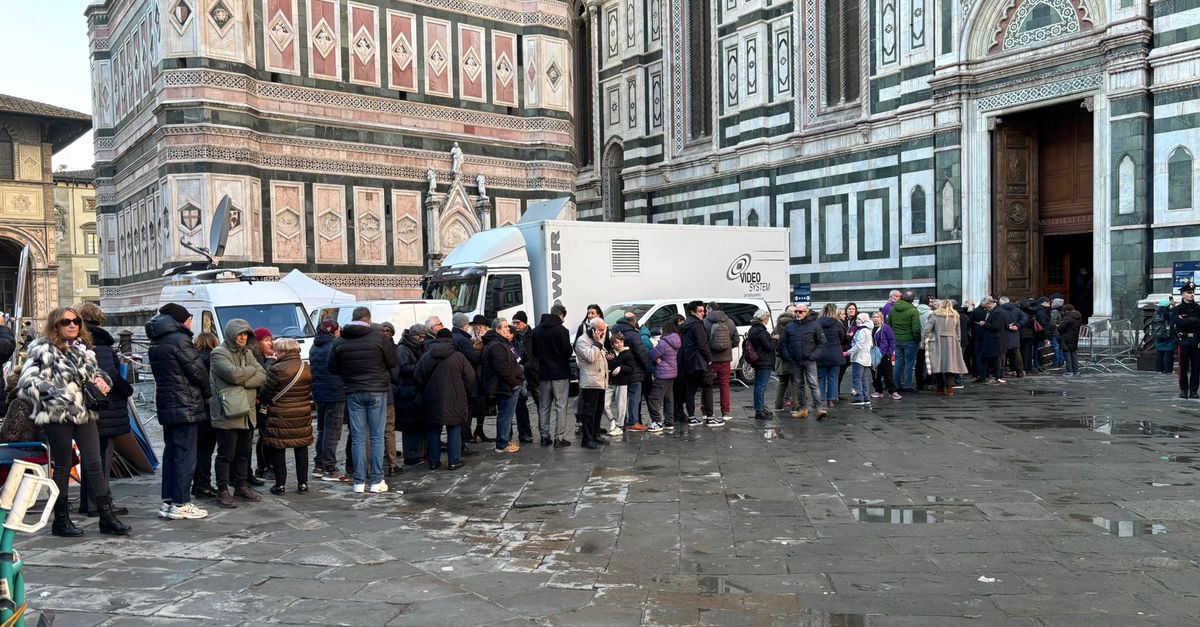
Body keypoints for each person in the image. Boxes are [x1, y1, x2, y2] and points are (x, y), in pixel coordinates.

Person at [18, 307, 131, 536]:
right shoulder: (42, 348)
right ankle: (61, 520)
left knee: (94, 463)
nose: (72, 325)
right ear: (55, 325)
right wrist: (61, 397)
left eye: (76, 321)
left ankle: (106, 516)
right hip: (58, 414)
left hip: (84, 412)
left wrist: (102, 380)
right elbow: (27, 382)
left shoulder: (83, 349)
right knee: (62, 465)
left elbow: (95, 373)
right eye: (66, 322)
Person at [146, 302, 210, 521]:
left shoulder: (156, 341)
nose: (191, 321)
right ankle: (182, 503)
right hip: (186, 403)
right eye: (189, 317)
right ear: (181, 319)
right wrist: (207, 393)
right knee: (185, 454)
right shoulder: (180, 339)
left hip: (167, 402)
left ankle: (169, 501)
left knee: (172, 452)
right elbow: (197, 371)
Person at [328, 306, 398, 494]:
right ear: (368, 320)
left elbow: (332, 368)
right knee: (376, 436)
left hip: (353, 391)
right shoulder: (379, 338)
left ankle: (358, 482)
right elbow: (393, 363)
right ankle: (377, 480)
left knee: (358, 437)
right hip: (377, 391)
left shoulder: (340, 341)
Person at [77, 303, 134, 518]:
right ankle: (100, 503)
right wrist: (126, 389)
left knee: (92, 457)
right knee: (101, 457)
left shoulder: (81, 342)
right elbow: (110, 374)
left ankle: (88, 501)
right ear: (99, 320)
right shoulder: (100, 344)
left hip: (89, 407)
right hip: (105, 408)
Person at [210, 319, 267, 508]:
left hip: (248, 412)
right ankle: (222, 491)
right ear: (231, 335)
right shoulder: (219, 353)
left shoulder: (249, 353)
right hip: (228, 413)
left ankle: (241, 485)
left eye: (245, 334)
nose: (242, 338)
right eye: (239, 334)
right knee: (226, 454)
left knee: (244, 453)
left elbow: (262, 376)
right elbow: (232, 375)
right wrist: (249, 372)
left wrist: (243, 380)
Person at [258, 338, 314, 495]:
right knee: (301, 447)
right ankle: (303, 484)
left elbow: (266, 393)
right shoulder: (306, 367)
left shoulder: (277, 369)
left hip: (280, 414)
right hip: (302, 413)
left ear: (283, 351)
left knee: (278, 448)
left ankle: (280, 485)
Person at [416, 328, 475, 470]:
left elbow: (418, 377)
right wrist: (464, 390)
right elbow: (470, 377)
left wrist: (425, 390)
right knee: (454, 428)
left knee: (433, 430)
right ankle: (454, 461)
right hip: (455, 398)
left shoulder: (426, 356)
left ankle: (433, 461)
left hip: (432, 398)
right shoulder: (458, 357)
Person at [310, 320, 348, 482]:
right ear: (334, 331)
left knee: (322, 430)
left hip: (319, 392)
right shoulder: (335, 346)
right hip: (335, 392)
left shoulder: (314, 346)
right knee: (332, 431)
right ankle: (329, 467)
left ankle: (319, 464)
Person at [482, 318, 524, 454]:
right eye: (505, 327)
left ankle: (504, 440)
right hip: (505, 386)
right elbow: (502, 368)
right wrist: (513, 384)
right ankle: (502, 444)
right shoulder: (496, 346)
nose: (508, 329)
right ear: (497, 330)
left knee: (507, 414)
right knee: (505, 415)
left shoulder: (501, 343)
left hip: (508, 385)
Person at [533, 304, 572, 447]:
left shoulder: (537, 331)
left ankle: (544, 436)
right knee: (561, 406)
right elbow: (567, 352)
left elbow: (535, 353)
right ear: (561, 315)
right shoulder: (562, 330)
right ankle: (559, 438)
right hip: (560, 373)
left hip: (544, 373)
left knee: (543, 406)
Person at [394, 324, 430, 465]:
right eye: (419, 336)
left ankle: (420, 452)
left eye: (423, 337)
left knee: (419, 424)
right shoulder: (403, 348)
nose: (422, 339)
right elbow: (402, 368)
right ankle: (412, 455)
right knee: (410, 426)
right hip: (407, 391)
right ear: (412, 336)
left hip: (416, 390)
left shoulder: (418, 346)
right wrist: (420, 366)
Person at [784, 305, 827, 420]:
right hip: (795, 361)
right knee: (799, 385)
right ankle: (803, 409)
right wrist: (788, 356)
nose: (798, 313)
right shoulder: (790, 327)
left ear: (806, 312)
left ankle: (819, 408)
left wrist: (813, 356)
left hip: (809, 360)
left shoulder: (814, 325)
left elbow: (822, 343)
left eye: (800, 311)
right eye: (796, 311)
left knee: (813, 384)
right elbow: (783, 344)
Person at [191, 332, 220, 498]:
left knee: (197, 449)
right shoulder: (213, 360)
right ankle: (203, 484)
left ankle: (197, 483)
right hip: (208, 409)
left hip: (195, 408)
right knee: (206, 450)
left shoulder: (193, 360)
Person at [451, 313, 487, 445]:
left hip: (456, 378)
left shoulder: (453, 337)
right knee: (467, 410)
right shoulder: (462, 339)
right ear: (464, 325)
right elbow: (475, 358)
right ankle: (464, 438)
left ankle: (463, 438)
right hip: (466, 378)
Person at [611, 311, 651, 429]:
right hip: (635, 370)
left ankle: (623, 421)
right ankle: (633, 421)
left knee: (622, 398)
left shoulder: (614, 331)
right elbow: (641, 353)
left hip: (621, 370)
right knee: (634, 396)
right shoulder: (633, 334)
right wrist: (647, 368)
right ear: (634, 321)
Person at [575, 317, 609, 448]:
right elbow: (591, 357)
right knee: (589, 411)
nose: (602, 332)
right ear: (592, 329)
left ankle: (595, 434)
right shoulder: (582, 341)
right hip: (590, 381)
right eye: (600, 330)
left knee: (598, 410)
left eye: (603, 329)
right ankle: (587, 439)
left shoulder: (597, 340)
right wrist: (597, 343)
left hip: (600, 380)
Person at [925, 300, 969, 395]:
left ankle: (940, 388)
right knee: (950, 365)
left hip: (937, 342)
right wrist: (958, 342)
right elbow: (958, 332)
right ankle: (950, 389)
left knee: (938, 364)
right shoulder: (955, 315)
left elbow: (926, 329)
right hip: (952, 344)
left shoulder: (934, 315)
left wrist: (927, 338)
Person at [704, 304, 739, 422]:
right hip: (725, 359)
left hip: (710, 360)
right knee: (724, 385)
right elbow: (736, 340)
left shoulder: (705, 322)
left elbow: (702, 342)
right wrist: (727, 348)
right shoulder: (730, 322)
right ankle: (725, 412)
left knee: (707, 385)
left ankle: (706, 411)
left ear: (710, 309)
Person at [648, 317, 681, 433]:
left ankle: (657, 421)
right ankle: (669, 422)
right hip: (672, 373)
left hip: (662, 373)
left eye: (662, 327)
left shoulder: (663, 342)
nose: (660, 329)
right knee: (669, 399)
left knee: (653, 398)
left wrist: (657, 357)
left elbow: (652, 354)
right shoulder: (676, 340)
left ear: (665, 329)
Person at [377, 322, 402, 476]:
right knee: (386, 430)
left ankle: (388, 463)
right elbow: (395, 373)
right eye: (384, 330)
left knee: (384, 430)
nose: (386, 333)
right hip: (385, 392)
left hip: (378, 392)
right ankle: (390, 464)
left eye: (388, 330)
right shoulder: (388, 350)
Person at [251, 328, 275, 483]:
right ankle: (267, 467)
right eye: (266, 340)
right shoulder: (256, 356)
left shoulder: (261, 356)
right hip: (258, 401)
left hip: (261, 400)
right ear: (258, 342)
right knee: (266, 434)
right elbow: (263, 377)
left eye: (270, 340)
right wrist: (271, 360)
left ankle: (261, 467)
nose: (270, 343)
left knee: (264, 434)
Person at [606, 332, 640, 434]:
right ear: (612, 344)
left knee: (621, 405)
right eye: (617, 342)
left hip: (622, 382)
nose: (620, 344)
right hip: (610, 382)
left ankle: (620, 426)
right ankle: (612, 420)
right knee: (603, 404)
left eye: (621, 342)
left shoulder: (628, 353)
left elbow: (631, 367)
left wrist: (621, 368)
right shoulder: (610, 353)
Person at [510, 311, 537, 444]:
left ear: (524, 323)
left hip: (530, 374)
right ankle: (510, 436)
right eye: (513, 322)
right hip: (513, 378)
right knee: (513, 407)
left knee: (524, 405)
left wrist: (524, 368)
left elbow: (530, 358)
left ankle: (526, 432)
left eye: (517, 322)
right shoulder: (512, 340)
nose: (515, 325)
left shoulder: (532, 335)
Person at [745, 309, 776, 419]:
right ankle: (759, 410)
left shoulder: (753, 329)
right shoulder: (761, 331)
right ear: (763, 318)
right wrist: (775, 340)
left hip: (758, 361)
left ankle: (760, 408)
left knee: (758, 386)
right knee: (761, 387)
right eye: (767, 318)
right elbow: (768, 347)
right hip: (764, 361)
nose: (768, 320)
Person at [888, 292, 921, 392]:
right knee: (909, 364)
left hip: (897, 340)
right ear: (913, 299)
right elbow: (916, 329)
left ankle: (897, 385)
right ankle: (907, 386)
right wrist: (917, 340)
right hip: (910, 341)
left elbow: (889, 324)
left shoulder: (893, 309)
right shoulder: (913, 311)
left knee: (898, 362)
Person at [816, 304, 845, 408]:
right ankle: (831, 401)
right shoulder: (837, 323)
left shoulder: (817, 323)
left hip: (821, 355)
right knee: (833, 378)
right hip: (835, 355)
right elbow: (842, 338)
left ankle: (819, 400)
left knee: (820, 378)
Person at [773, 307, 799, 411]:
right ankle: (795, 405)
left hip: (781, 361)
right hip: (792, 360)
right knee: (794, 383)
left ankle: (778, 405)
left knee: (782, 382)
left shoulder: (777, 330)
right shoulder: (793, 329)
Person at [1176, 284, 1200, 397]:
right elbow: (1176, 323)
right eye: (1188, 293)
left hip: (1196, 340)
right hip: (1183, 340)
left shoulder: (1198, 308)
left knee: (1196, 367)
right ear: (1183, 294)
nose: (1191, 295)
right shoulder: (1178, 309)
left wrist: (1186, 320)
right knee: (1183, 366)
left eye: (1192, 293)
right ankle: (1184, 390)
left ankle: (1194, 390)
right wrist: (1194, 320)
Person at [976, 297, 1006, 384]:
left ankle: (995, 377)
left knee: (994, 359)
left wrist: (984, 324)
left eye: (986, 307)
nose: (985, 309)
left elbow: (996, 326)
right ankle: (983, 376)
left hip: (995, 340)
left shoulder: (997, 312)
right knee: (985, 358)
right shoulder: (993, 311)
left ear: (990, 304)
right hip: (991, 339)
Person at [847, 313, 874, 406]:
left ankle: (859, 398)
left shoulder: (862, 331)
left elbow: (859, 344)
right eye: (857, 319)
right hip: (866, 358)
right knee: (864, 378)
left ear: (864, 320)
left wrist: (848, 352)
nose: (857, 321)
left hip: (859, 358)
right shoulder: (868, 330)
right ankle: (866, 397)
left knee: (857, 378)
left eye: (859, 319)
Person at [870, 311, 899, 399]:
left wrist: (888, 353)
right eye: (874, 317)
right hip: (874, 355)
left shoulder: (886, 328)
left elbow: (892, 341)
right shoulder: (871, 328)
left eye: (877, 317)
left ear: (881, 318)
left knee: (888, 374)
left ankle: (893, 391)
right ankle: (878, 391)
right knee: (875, 374)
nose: (876, 319)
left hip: (885, 354)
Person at [998, 297, 1026, 377]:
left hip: (1003, 334)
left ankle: (1000, 373)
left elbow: (999, 321)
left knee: (1002, 354)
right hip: (1014, 334)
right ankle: (1020, 372)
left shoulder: (999, 310)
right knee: (1016, 353)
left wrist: (1007, 326)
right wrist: (1018, 325)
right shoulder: (1016, 309)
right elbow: (1024, 317)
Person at [838, 303, 859, 396]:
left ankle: (857, 392)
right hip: (845, 350)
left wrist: (849, 335)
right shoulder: (843, 321)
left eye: (853, 309)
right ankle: (836, 392)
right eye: (849, 309)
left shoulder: (857, 320)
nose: (851, 310)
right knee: (840, 372)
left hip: (855, 350)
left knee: (857, 373)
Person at [1058, 304, 1084, 377]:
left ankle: (1069, 371)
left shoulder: (1067, 318)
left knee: (1067, 354)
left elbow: (1061, 328)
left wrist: (1058, 326)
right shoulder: (1078, 316)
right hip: (1075, 337)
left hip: (1066, 337)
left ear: (1066, 310)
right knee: (1074, 354)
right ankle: (1076, 371)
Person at [1152, 299, 1176, 375]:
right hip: (1168, 336)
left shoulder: (1155, 314)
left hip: (1158, 336)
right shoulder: (1170, 314)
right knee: (1169, 354)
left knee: (1159, 354)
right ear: (1168, 306)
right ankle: (1168, 370)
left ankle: (1159, 370)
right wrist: (1174, 306)